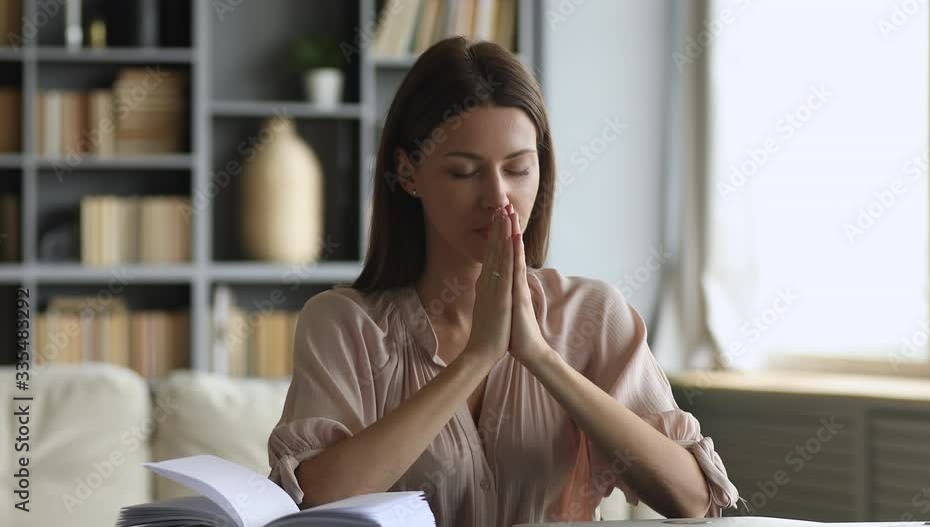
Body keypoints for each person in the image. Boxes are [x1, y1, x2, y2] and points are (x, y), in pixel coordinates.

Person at [266, 36, 740, 526]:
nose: (498, 197)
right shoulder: (344, 323)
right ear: (408, 173)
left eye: (517, 169)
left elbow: (693, 499)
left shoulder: (593, 313)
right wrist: (477, 357)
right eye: (464, 172)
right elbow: (311, 505)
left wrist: (540, 356)